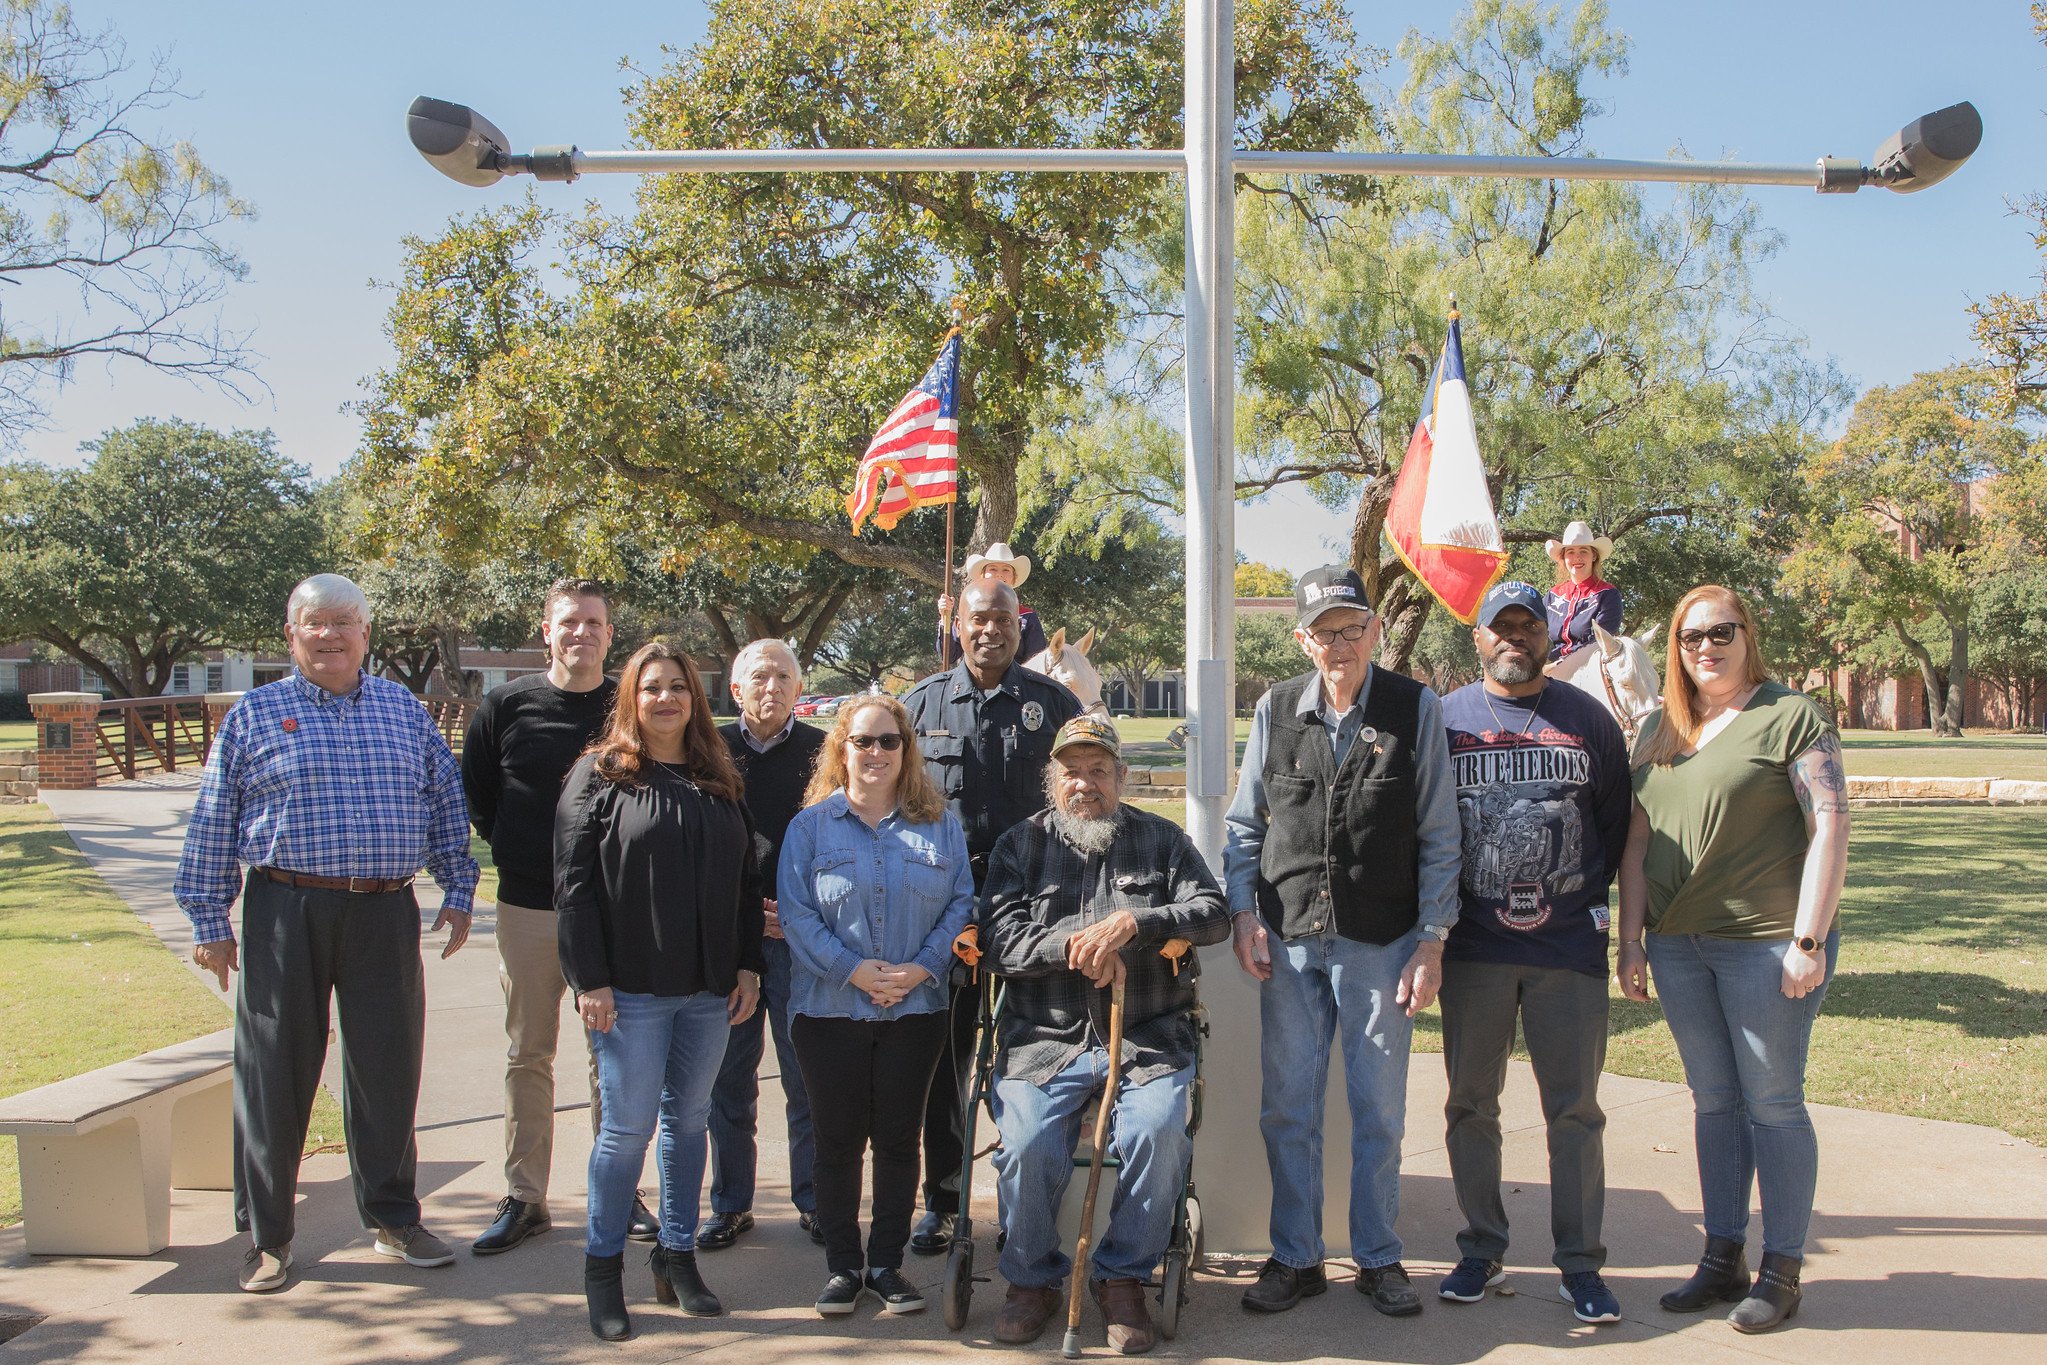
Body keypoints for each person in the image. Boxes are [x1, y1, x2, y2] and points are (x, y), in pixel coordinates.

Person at [173, 573, 479, 1294]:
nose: (330, 634)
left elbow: (443, 800)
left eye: (345, 621)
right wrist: (208, 918)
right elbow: (214, 819)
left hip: (383, 911)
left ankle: (394, 1218)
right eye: (315, 622)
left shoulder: (403, 711)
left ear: (365, 633)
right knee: (275, 1073)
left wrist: (459, 887)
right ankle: (268, 1238)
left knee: (388, 1067)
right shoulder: (254, 714)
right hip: (285, 910)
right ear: (292, 634)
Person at [1223, 565, 1462, 1318]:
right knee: (1288, 1107)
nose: (1339, 643)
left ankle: (1379, 1257)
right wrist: (1241, 913)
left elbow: (1438, 833)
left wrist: (1431, 941)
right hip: (1289, 941)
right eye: (1323, 630)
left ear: (1374, 630)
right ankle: (1295, 1257)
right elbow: (1242, 826)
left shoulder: (1413, 707)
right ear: (1302, 637)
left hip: (1380, 942)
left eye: (1351, 627)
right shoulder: (1272, 708)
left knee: (1378, 1110)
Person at [1617, 586, 1848, 1335]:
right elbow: (1635, 842)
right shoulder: (1657, 727)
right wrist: (1628, 939)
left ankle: (1781, 1268)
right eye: (1689, 637)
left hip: (1767, 944)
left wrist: (1806, 939)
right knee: (1713, 1099)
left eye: (1720, 632)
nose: (1704, 647)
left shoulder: (1791, 715)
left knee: (1772, 1101)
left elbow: (1829, 824)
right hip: (1678, 944)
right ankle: (1720, 1258)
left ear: (1747, 634)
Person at [981, 716, 1231, 1352]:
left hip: (1147, 1037)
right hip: (1044, 1040)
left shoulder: (1163, 840)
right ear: (1052, 779)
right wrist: (1075, 945)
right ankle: (1031, 1280)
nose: (1085, 784)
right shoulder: (1019, 846)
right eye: (1072, 771)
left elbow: (1211, 913)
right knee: (1030, 1140)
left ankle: (1122, 1278)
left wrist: (1135, 925)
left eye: (1099, 771)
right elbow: (999, 940)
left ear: (1121, 776)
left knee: (1157, 1129)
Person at [555, 640, 764, 1341]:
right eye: (651, 688)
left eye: (678, 686)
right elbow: (574, 889)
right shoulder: (599, 775)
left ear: (695, 699)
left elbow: (742, 883)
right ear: (630, 698)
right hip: (630, 993)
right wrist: (590, 979)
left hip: (706, 991)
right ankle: (602, 1268)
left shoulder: (717, 776)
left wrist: (745, 964)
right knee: (625, 1133)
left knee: (690, 1123)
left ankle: (677, 1258)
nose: (666, 698)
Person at [1434, 582, 1631, 1322]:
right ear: (1477, 639)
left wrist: (1580, 902)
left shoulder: (1588, 721)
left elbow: (1611, 828)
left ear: (1549, 636)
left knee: (1574, 1111)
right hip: (1473, 948)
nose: (1514, 636)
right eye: (1500, 627)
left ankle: (1580, 1264)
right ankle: (1480, 1248)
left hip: (1567, 950)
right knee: (1468, 1104)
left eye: (1527, 625)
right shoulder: (1445, 719)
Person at [462, 578, 657, 1255]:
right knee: (529, 1052)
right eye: (568, 621)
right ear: (545, 629)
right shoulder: (505, 705)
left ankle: (618, 1187)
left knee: (614, 1054)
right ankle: (524, 1195)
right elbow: (482, 800)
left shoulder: (630, 707)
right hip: (528, 905)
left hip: (615, 910)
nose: (581, 633)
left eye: (594, 622)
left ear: (611, 633)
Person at [776, 695, 976, 1317]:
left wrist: (921, 969)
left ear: (906, 750)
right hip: (829, 1010)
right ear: (842, 748)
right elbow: (797, 914)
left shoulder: (938, 823)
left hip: (916, 1010)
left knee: (897, 1139)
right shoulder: (809, 828)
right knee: (837, 1141)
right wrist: (855, 972)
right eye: (863, 741)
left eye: (889, 741)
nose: (876, 753)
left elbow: (962, 903)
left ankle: (886, 1264)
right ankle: (843, 1266)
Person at [901, 578, 1083, 1254]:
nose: (989, 631)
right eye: (978, 619)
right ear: (958, 626)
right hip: (945, 918)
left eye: (1002, 620)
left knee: (1032, 1062)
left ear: (1019, 628)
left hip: (1034, 917)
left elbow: (1080, 798)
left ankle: (1023, 1202)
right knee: (944, 1065)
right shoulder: (919, 706)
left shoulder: (1053, 705)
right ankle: (943, 1202)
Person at [700, 639, 827, 1251]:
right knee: (729, 1082)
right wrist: (744, 915)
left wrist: (798, 916)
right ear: (736, 688)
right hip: (729, 946)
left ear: (799, 690)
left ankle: (814, 1200)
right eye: (759, 677)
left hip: (802, 945)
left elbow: (842, 845)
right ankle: (730, 1204)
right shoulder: (707, 749)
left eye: (783, 677)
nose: (771, 687)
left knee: (806, 1079)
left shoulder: (825, 753)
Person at [935, 541, 1050, 667]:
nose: (999, 574)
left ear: (1014, 577)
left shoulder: (1028, 617)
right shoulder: (970, 615)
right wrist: (944, 617)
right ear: (983, 575)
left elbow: (1037, 662)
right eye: (993, 569)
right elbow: (949, 655)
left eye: (1006, 569)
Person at [1543, 521, 1623, 664]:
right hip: (1551, 668)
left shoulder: (1608, 595)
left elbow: (1598, 642)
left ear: (1593, 556)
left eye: (1583, 551)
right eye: (1570, 552)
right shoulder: (1553, 595)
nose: (1577, 557)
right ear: (1564, 558)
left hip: (1589, 668)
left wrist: (1562, 664)